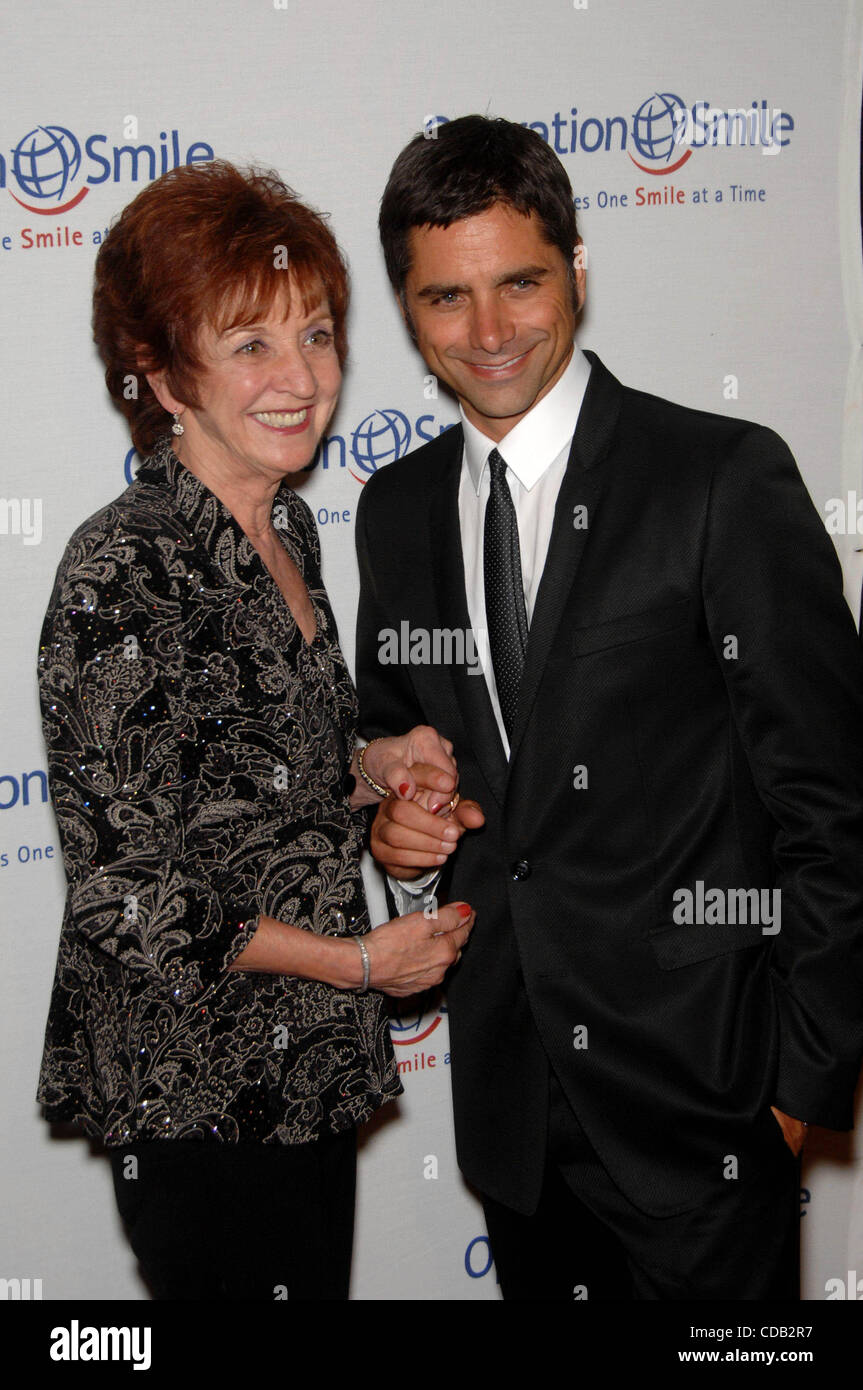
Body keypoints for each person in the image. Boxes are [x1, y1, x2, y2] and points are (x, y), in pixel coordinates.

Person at [356, 115, 863, 1300]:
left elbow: (832, 800)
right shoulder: (395, 511)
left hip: (706, 1105)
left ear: (577, 268)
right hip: (513, 1118)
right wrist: (395, 830)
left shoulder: (717, 478)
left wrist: (796, 1088)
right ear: (406, 307)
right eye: (445, 299)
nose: (487, 333)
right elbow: (385, 743)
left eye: (519, 282)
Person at [36, 159, 474, 1302]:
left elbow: (252, 779)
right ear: (162, 373)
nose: (301, 380)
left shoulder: (289, 532)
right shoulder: (121, 566)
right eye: (250, 347)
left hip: (308, 1072)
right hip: (198, 1089)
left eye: (317, 335)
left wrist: (371, 766)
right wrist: (360, 963)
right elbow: (125, 888)